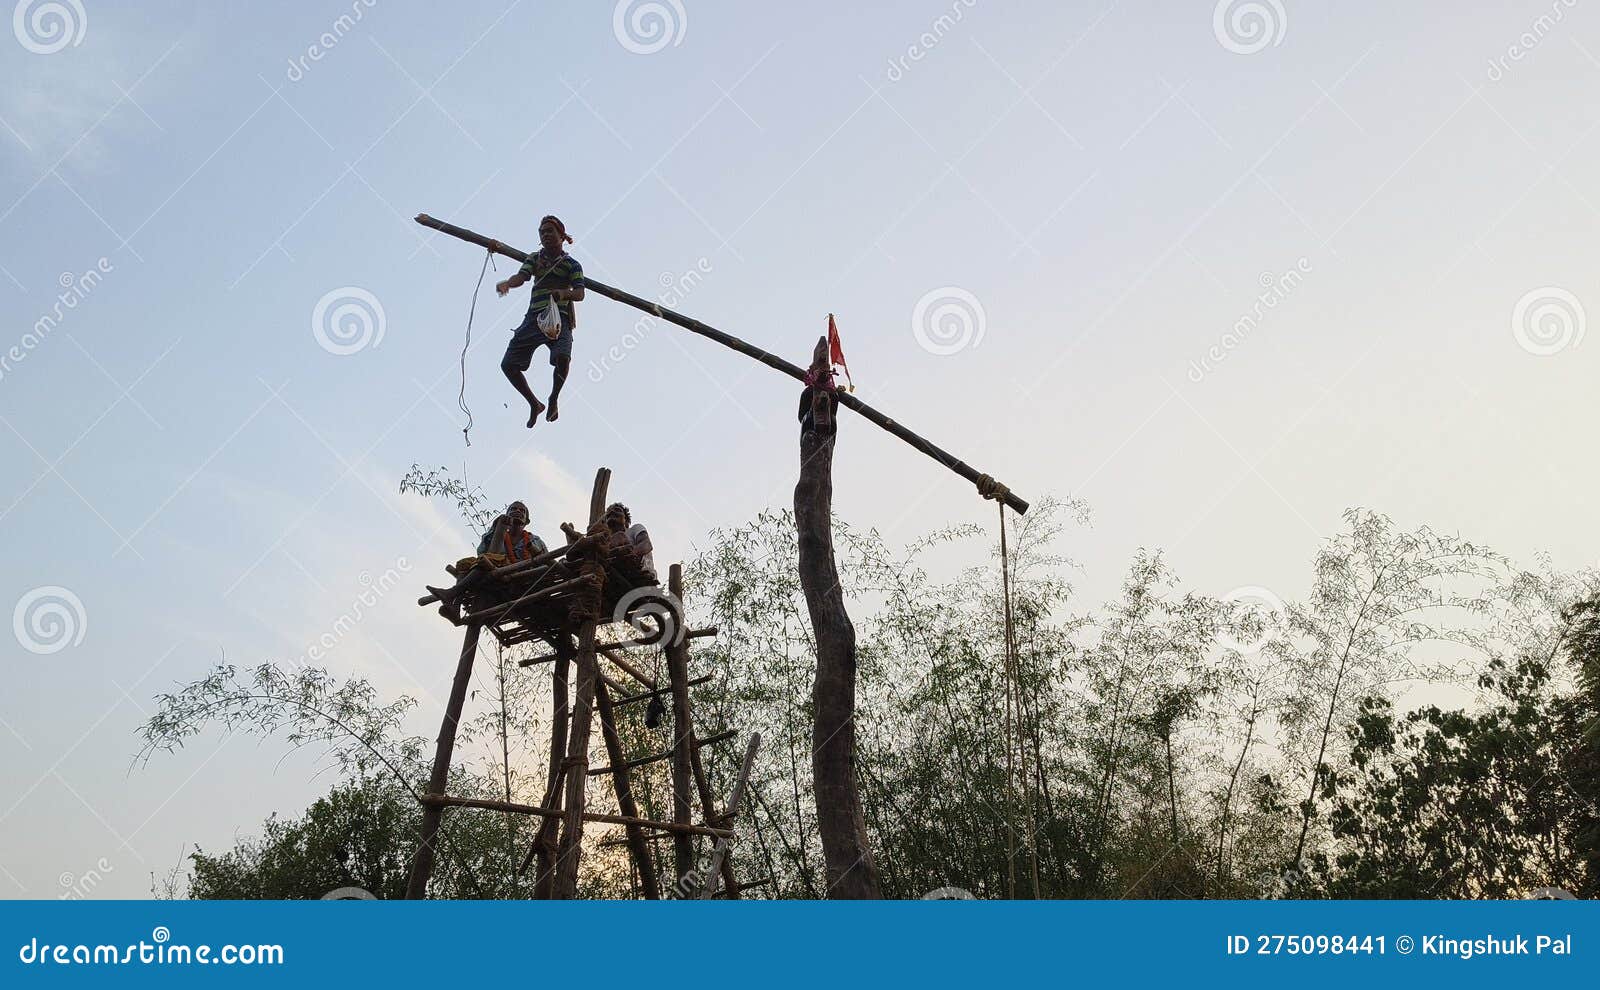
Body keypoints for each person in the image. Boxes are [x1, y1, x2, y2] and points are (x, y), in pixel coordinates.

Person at [497, 215, 585, 428]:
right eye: (541, 232)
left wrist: (563, 293)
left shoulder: (572, 265)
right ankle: (534, 403)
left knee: (563, 357)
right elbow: (522, 277)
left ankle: (553, 397)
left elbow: (580, 293)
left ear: (561, 236)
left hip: (558, 320)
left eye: (549, 231)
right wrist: (509, 283)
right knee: (508, 364)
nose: (545, 235)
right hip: (533, 319)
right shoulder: (535, 259)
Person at [427, 501, 548, 621]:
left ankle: (451, 593)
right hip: (496, 570)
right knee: (465, 563)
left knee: (487, 560)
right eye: (513, 509)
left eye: (522, 511)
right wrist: (497, 528)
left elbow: (546, 562)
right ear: (506, 515)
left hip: (521, 577)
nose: (517, 511)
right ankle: (455, 607)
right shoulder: (497, 532)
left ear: (527, 521)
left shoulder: (535, 541)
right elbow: (483, 553)